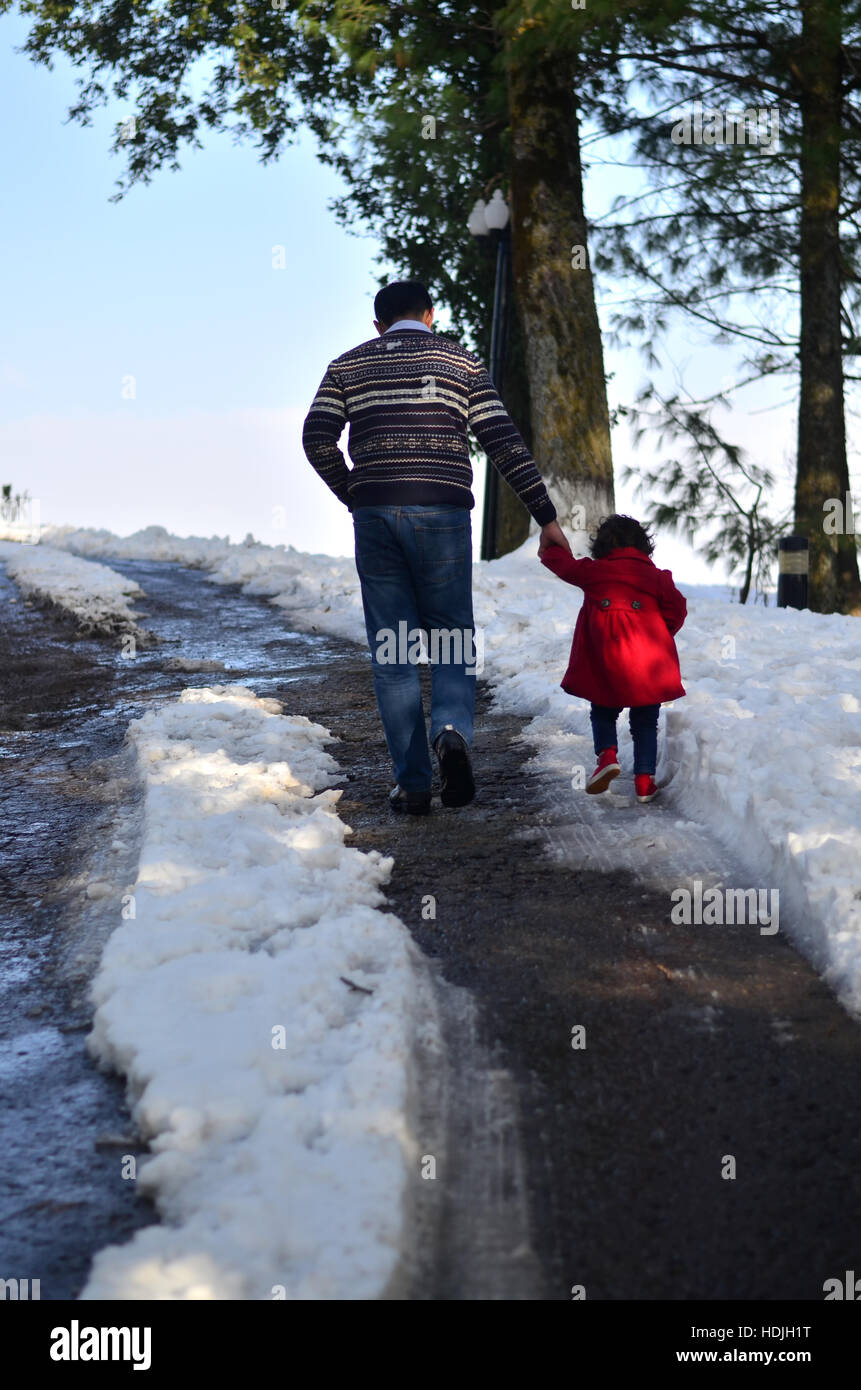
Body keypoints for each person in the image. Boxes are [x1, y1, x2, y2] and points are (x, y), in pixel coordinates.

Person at [302, 279, 569, 813]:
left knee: (395, 650)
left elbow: (316, 437)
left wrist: (354, 493)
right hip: (444, 512)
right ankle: (450, 730)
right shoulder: (460, 362)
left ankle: (414, 782)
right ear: (430, 315)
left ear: (378, 326)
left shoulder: (347, 365)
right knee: (450, 636)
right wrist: (547, 517)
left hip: (376, 516)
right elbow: (502, 440)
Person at [539, 514, 687, 804]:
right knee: (645, 721)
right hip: (647, 666)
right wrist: (661, 631)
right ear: (644, 546)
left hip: (606, 662)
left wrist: (549, 546)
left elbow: (564, 566)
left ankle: (607, 755)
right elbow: (677, 608)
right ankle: (645, 781)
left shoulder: (594, 572)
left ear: (602, 546)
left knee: (603, 711)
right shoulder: (657, 578)